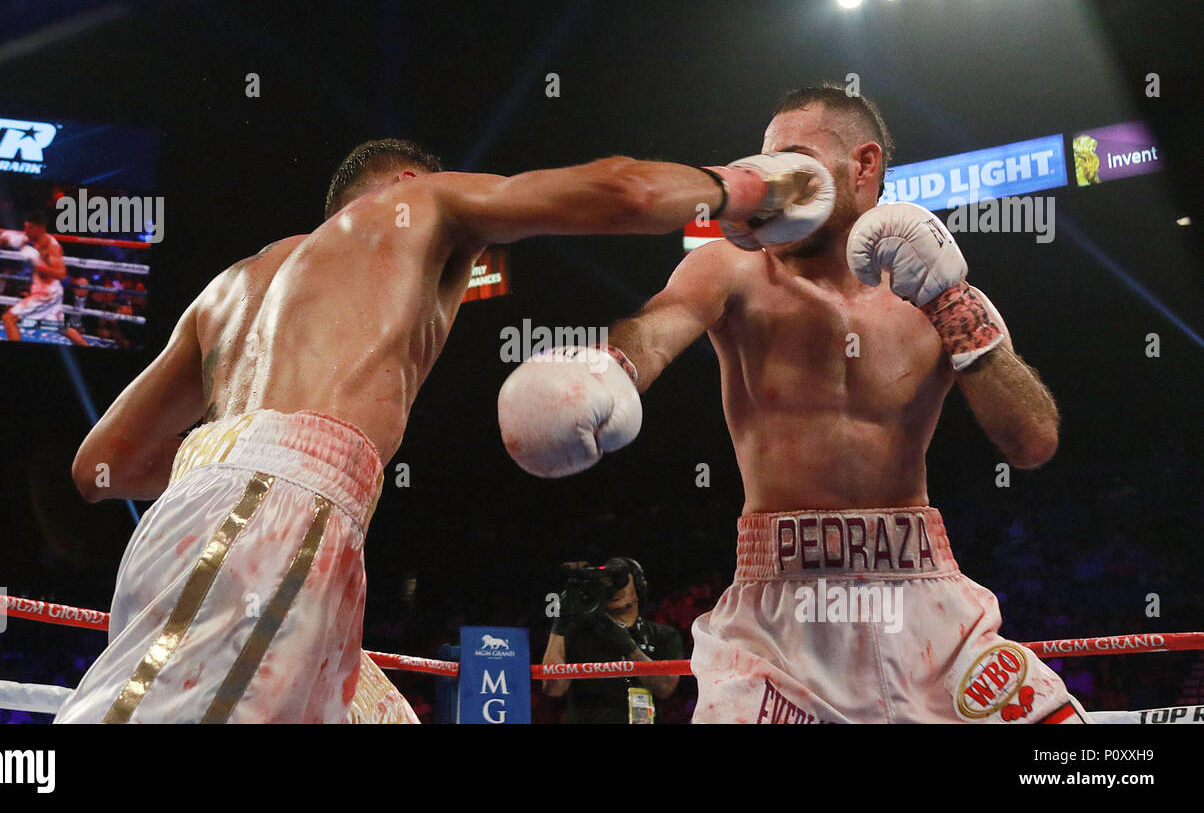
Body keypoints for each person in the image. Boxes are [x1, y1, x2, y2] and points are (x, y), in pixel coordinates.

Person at [54, 137, 835, 723]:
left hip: (221, 518)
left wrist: (230, 470)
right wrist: (742, 189)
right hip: (276, 512)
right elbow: (622, 190)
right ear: (402, 186)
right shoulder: (416, 206)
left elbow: (105, 465)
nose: (456, 283)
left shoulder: (229, 289)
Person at [498, 84, 1088, 724]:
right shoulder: (733, 268)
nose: (772, 183)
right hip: (780, 608)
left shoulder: (933, 288)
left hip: (925, 598)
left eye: (795, 159)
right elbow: (657, 328)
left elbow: (1033, 441)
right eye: (766, 162)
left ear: (863, 166)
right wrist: (604, 369)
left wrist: (954, 304)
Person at [542, 557, 683, 723]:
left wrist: (629, 647)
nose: (614, 588)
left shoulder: (663, 635)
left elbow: (665, 688)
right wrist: (559, 625)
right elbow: (553, 689)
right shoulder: (579, 633)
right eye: (607, 583)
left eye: (620, 580)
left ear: (637, 585)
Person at [0, 211, 85, 344]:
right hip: (46, 290)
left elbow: (61, 274)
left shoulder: (51, 247)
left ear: (40, 228)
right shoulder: (33, 238)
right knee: (60, 327)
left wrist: (37, 262)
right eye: (25, 228)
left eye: (29, 228)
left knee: (8, 318)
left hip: (47, 293)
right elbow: (6, 240)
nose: (26, 232)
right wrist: (7, 238)